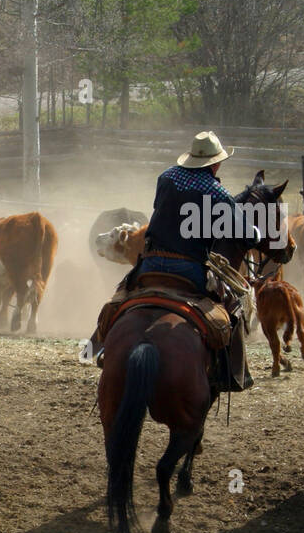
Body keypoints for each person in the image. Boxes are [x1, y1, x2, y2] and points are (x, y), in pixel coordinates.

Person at [93, 131, 258, 391]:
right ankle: (232, 375)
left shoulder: (166, 177)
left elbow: (162, 207)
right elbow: (249, 236)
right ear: (215, 164)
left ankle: (98, 348)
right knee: (231, 308)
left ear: (192, 158)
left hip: (150, 263)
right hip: (190, 269)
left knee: (121, 296)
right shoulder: (218, 193)